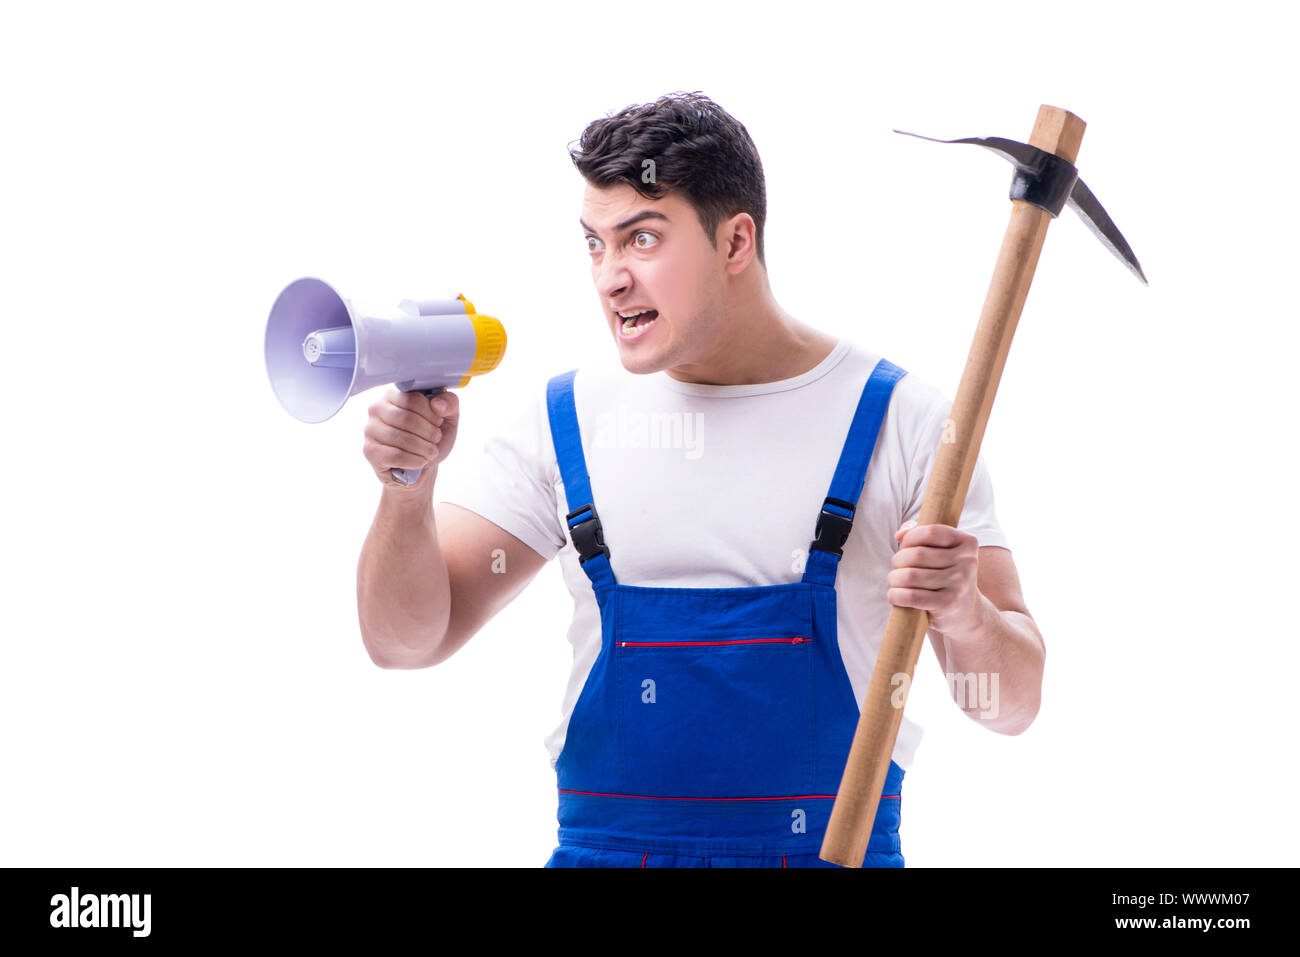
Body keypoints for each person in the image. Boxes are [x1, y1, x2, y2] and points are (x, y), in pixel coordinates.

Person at [355, 91, 1045, 868]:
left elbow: (1013, 704)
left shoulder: (908, 425)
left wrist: (965, 612)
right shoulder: (566, 423)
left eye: (641, 239)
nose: (610, 277)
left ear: (736, 241)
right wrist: (406, 488)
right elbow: (403, 640)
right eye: (594, 245)